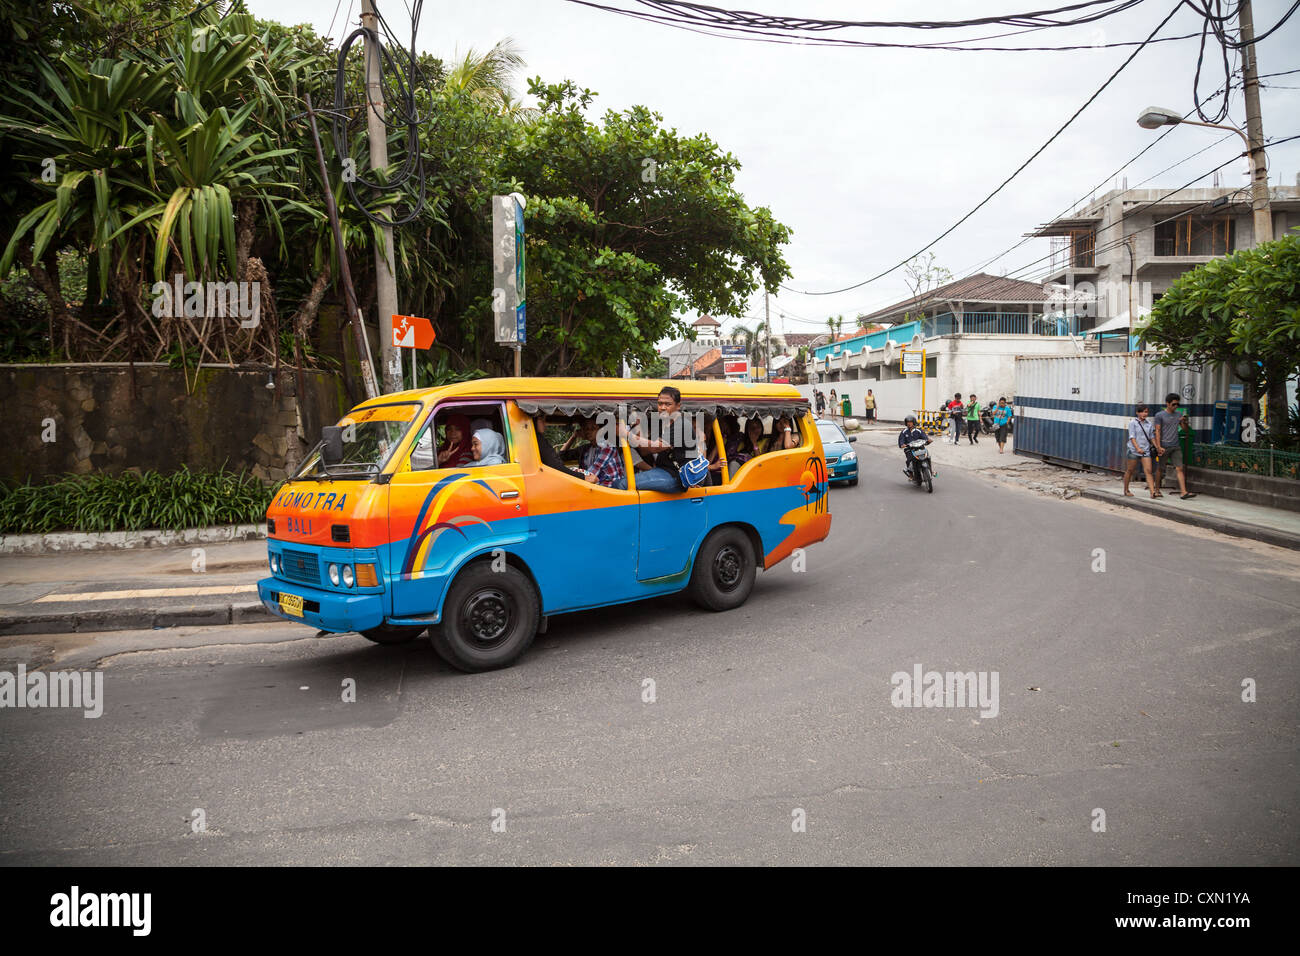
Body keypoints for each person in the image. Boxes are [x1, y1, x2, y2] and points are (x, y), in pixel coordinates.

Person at [620, 386, 698, 493]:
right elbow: (645, 450)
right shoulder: (664, 423)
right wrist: (637, 428)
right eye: (660, 403)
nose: (662, 407)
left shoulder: (681, 425)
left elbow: (655, 447)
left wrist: (626, 434)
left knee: (622, 484)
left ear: (678, 406)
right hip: (662, 470)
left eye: (668, 404)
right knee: (619, 482)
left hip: (676, 477)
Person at [1153, 392, 1197, 500]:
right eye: (1173, 404)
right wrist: (1158, 446)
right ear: (1167, 404)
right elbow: (1157, 431)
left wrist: (1184, 422)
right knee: (1160, 469)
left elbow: (1185, 430)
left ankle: (1183, 492)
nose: (1175, 406)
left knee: (1179, 468)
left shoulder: (1178, 415)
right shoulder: (1159, 415)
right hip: (1164, 446)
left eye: (1177, 404)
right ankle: (1157, 489)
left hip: (1175, 446)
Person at [572, 416, 627, 489]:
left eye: (593, 428)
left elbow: (590, 475)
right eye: (586, 429)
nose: (588, 431)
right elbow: (562, 455)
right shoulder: (587, 449)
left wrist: (572, 473)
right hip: (596, 487)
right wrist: (573, 437)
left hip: (612, 489)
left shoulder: (607, 447)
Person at [533, 412, 586, 480]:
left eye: (592, 428)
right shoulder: (584, 449)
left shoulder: (536, 439)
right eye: (541, 419)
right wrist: (573, 437)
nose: (544, 424)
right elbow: (560, 457)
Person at [1123, 405, 1159, 498]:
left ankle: (1152, 492)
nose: (1144, 414)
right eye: (1142, 412)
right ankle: (1126, 490)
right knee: (1130, 470)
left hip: (1145, 451)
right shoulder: (1133, 423)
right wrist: (1138, 448)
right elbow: (1132, 437)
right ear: (1137, 413)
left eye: (1146, 412)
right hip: (1133, 450)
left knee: (1148, 471)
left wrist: (1157, 447)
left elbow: (1151, 437)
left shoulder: (1149, 424)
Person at [898, 414, 933, 478]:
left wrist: (928, 440)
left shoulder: (918, 431)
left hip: (920, 448)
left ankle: (931, 471)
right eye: (908, 422)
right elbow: (901, 440)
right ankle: (910, 473)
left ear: (914, 422)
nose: (909, 424)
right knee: (909, 460)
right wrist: (902, 444)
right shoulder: (904, 432)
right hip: (909, 449)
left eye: (910, 422)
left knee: (927, 457)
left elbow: (925, 437)